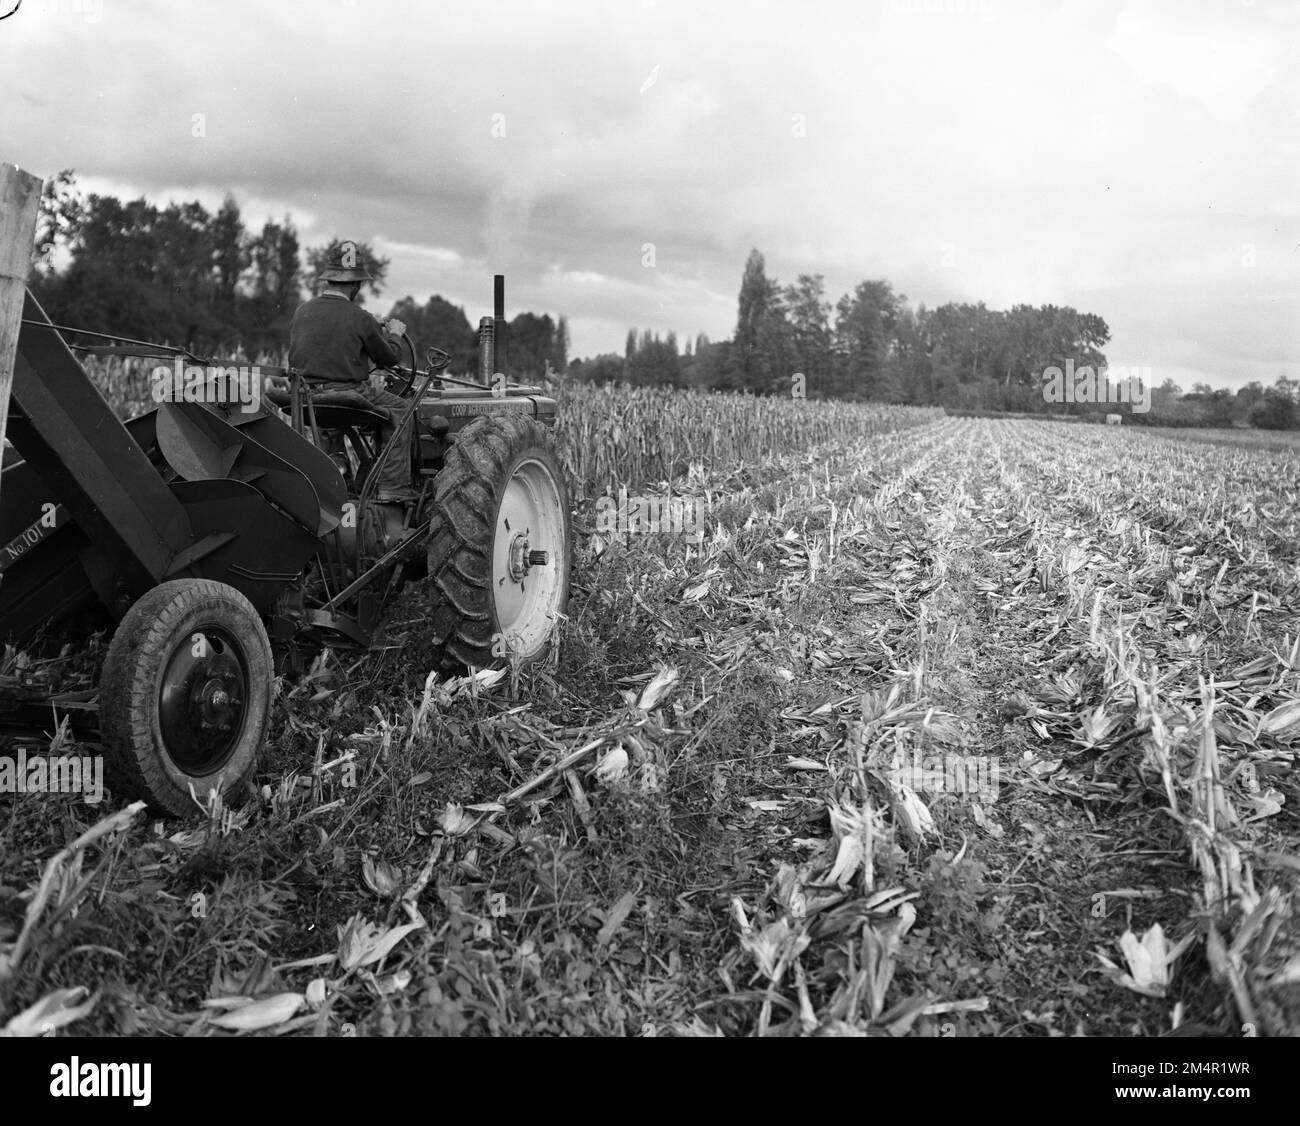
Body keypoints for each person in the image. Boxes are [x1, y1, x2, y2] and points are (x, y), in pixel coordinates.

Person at [288, 241, 416, 502]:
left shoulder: (302, 311)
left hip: (306, 395)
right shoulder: (360, 317)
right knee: (402, 409)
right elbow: (389, 358)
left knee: (328, 420)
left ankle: (338, 481)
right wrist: (393, 334)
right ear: (357, 284)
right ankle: (393, 489)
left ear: (329, 279)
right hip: (345, 394)